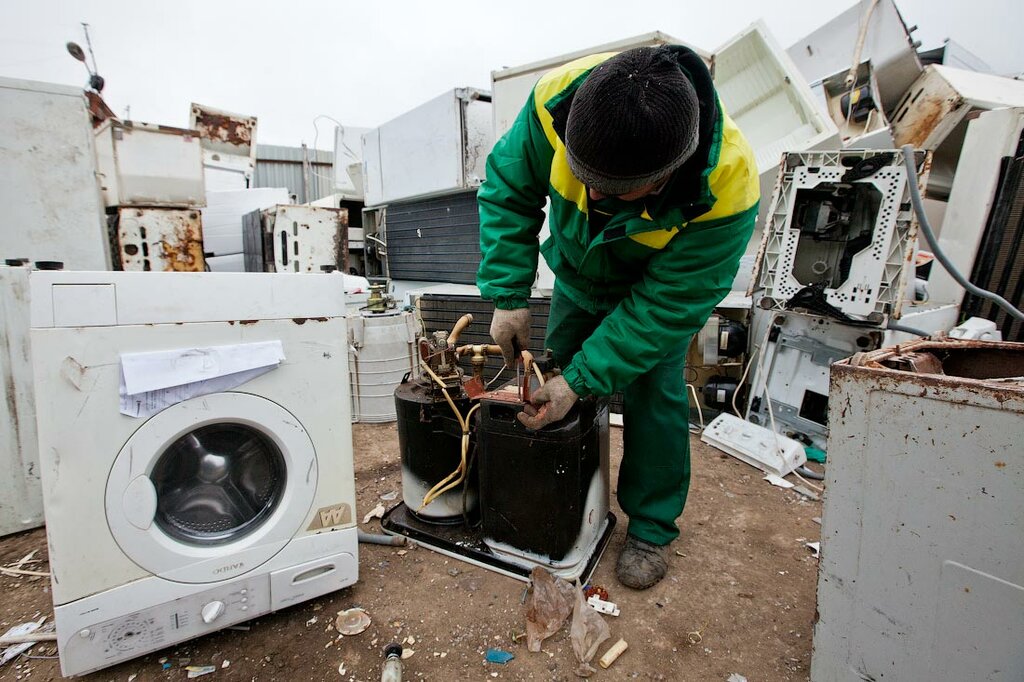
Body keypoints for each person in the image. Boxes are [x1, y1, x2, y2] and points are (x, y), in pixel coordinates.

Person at [476, 45, 759, 589]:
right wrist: (509, 291)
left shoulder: (728, 186)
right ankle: (553, 491)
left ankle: (651, 525)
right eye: (583, 175)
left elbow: (668, 306)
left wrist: (583, 381)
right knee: (546, 384)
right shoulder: (552, 103)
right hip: (579, 281)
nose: (591, 194)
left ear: (667, 174)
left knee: (655, 401)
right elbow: (510, 189)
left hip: (651, 293)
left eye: (612, 190)